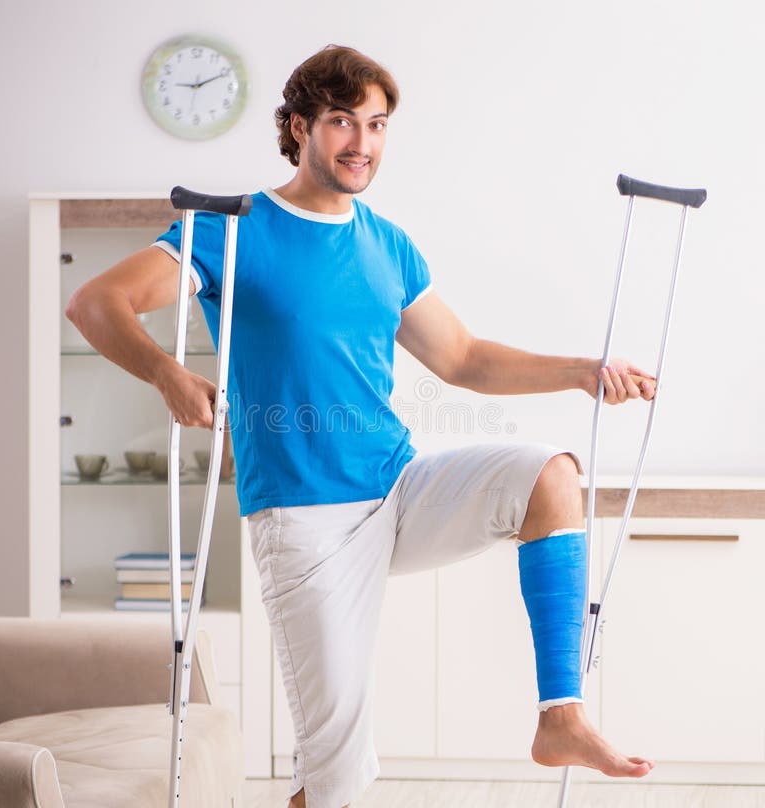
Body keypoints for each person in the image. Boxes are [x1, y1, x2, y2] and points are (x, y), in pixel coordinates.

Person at [67, 44, 656, 808]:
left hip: (398, 485)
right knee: (336, 777)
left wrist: (581, 370)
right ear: (299, 126)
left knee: (552, 475)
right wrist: (166, 372)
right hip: (303, 519)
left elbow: (466, 359)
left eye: (377, 125)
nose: (363, 144)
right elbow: (95, 303)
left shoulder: (386, 243)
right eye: (344, 122)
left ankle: (561, 716)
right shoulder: (236, 230)